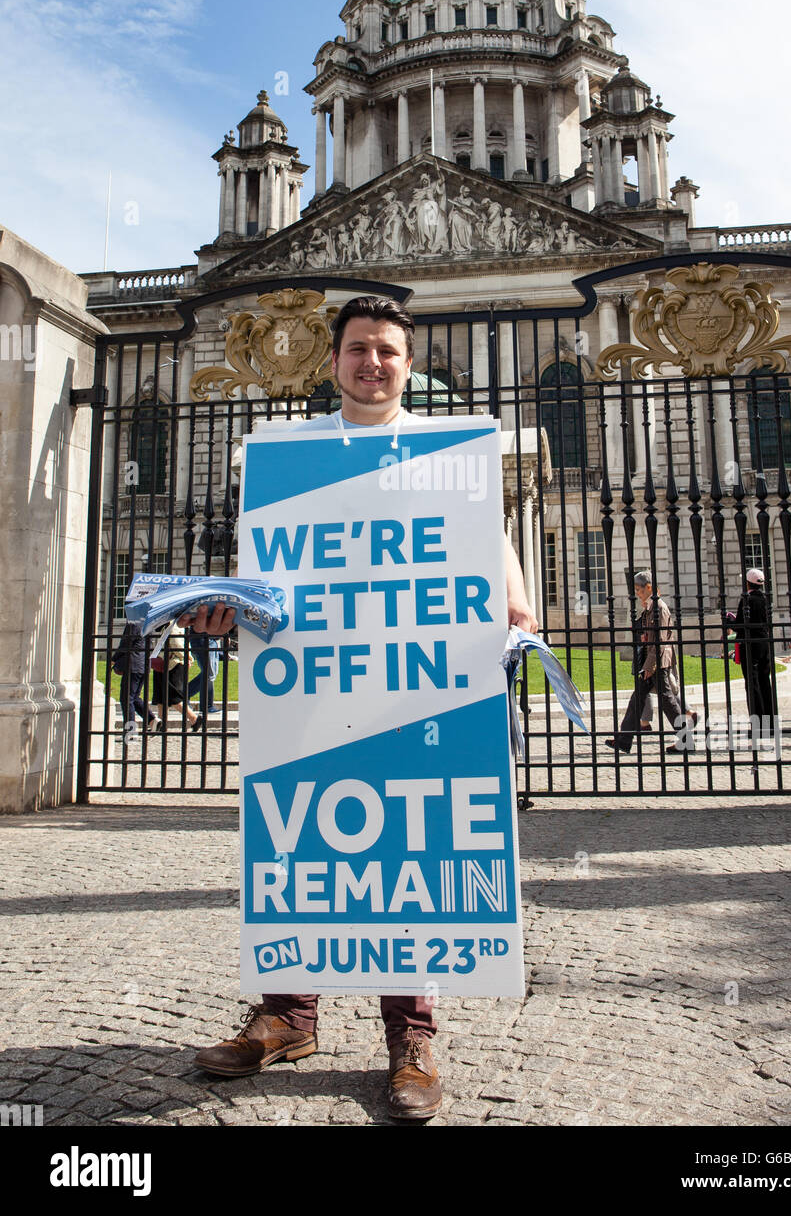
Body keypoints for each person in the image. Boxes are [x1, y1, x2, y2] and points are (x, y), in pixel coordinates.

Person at [185, 296, 538, 1121]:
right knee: (301, 830)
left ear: (408, 364)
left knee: (410, 837)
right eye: (357, 350)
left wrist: (516, 605)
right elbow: (270, 576)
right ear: (334, 361)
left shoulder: (443, 447)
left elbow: (488, 538)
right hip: (311, 684)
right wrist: (223, 608)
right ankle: (286, 1016)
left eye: (386, 350)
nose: (372, 363)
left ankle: (410, 1039)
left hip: (414, 686)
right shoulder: (290, 452)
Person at [606, 572, 698, 753]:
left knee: (668, 702)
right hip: (652, 662)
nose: (638, 593)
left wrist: (649, 666)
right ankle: (624, 739)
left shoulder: (659, 608)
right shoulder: (650, 607)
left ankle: (686, 741)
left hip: (657, 663)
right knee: (638, 699)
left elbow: (659, 640)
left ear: (649, 587)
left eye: (640, 590)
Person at [726, 568, 776, 728]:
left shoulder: (747, 599)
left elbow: (741, 625)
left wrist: (729, 622)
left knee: (752, 684)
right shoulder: (764, 599)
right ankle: (770, 722)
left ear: (748, 583)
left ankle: (758, 724)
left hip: (750, 644)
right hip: (764, 643)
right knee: (764, 682)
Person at [151, 622, 201, 734]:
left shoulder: (173, 625)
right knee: (161, 697)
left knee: (173, 697)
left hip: (173, 664)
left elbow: (176, 643)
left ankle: (194, 718)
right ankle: (162, 724)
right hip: (164, 662)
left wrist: (187, 657)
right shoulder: (168, 625)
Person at [111, 619, 158, 734]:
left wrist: (114, 658)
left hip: (133, 663)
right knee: (134, 697)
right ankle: (153, 721)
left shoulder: (135, 621)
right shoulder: (148, 620)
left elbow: (126, 643)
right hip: (143, 663)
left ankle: (130, 731)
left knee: (126, 699)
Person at [188, 630, 221, 717]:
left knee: (210, 673)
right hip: (203, 638)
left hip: (209, 638)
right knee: (209, 674)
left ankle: (184, 694)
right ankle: (207, 705)